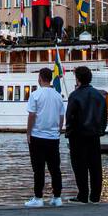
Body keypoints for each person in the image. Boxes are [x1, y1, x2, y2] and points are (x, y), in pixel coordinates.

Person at [65, 65, 107, 202]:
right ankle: (95, 196)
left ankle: (83, 194)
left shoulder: (74, 95)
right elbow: (104, 116)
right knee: (95, 166)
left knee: (79, 166)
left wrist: (69, 132)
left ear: (78, 79)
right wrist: (100, 130)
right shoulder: (99, 95)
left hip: (78, 135)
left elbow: (70, 116)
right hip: (94, 135)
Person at [25, 67, 65, 207]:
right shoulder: (58, 95)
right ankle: (57, 197)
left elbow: (31, 115)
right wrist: (58, 131)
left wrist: (28, 132)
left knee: (38, 169)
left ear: (40, 78)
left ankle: (38, 198)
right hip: (53, 138)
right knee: (55, 168)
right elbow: (61, 117)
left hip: (37, 136)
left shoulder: (35, 95)